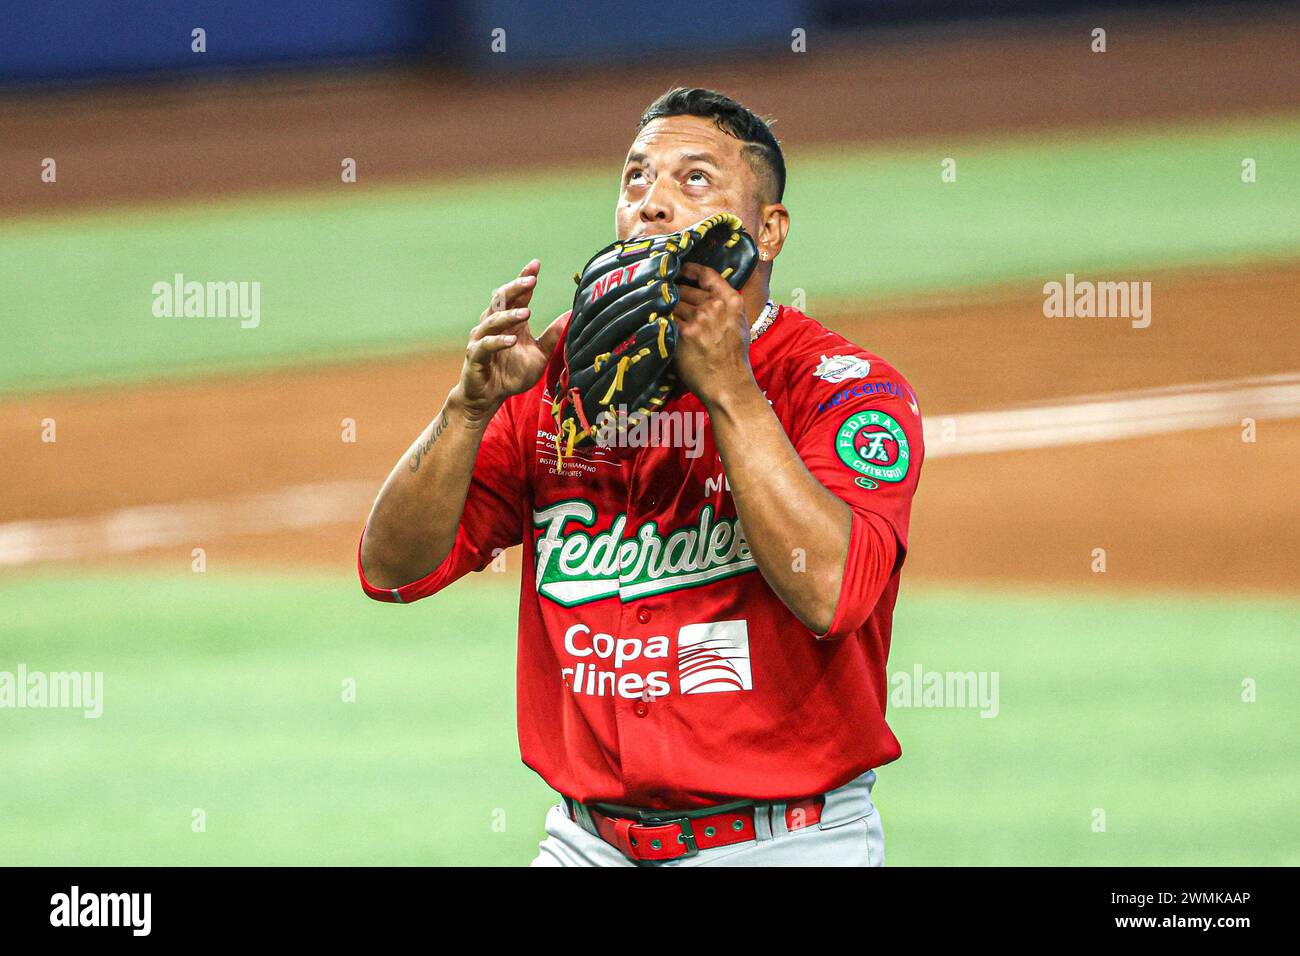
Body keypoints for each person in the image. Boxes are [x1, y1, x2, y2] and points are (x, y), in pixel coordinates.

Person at [358, 87, 924, 866]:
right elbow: (391, 570)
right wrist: (469, 408)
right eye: (635, 179)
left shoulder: (841, 387)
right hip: (585, 842)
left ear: (769, 229)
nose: (652, 202)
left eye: (694, 180)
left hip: (784, 843)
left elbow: (832, 593)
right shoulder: (553, 385)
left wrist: (729, 388)